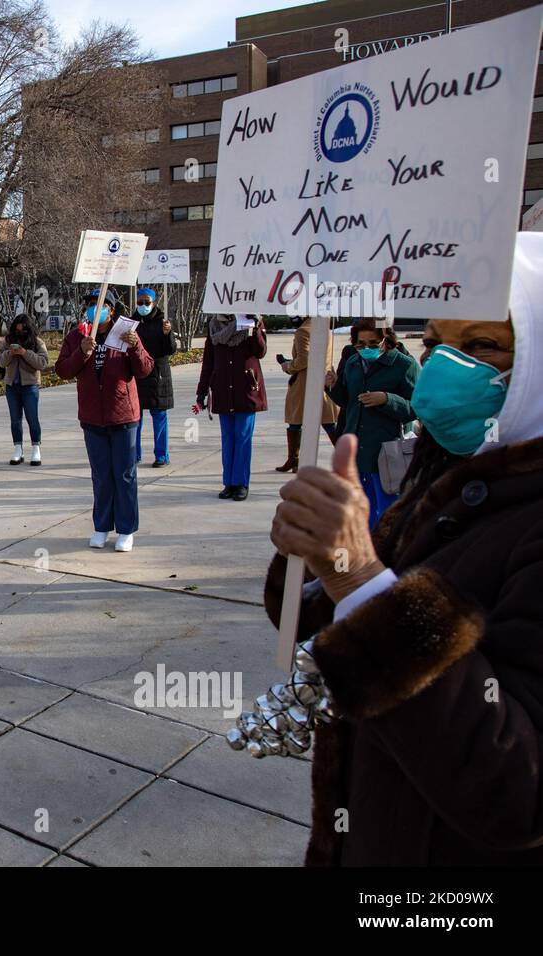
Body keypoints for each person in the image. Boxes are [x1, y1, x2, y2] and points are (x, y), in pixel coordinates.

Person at [263, 232, 543, 866]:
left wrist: (360, 577)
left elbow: (516, 788)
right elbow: (335, 617)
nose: (448, 367)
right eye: (439, 344)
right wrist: (318, 557)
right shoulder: (453, 469)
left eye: (481, 346)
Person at [55, 297, 154, 551]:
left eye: (101, 305)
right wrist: (82, 352)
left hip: (123, 415)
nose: (95, 309)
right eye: (90, 305)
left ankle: (126, 529)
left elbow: (144, 369)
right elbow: (63, 369)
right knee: (101, 476)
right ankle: (101, 527)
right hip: (92, 417)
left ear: (111, 310)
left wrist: (134, 348)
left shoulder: (126, 332)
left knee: (124, 474)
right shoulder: (78, 335)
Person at [323, 316, 418, 528]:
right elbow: (347, 401)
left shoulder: (404, 365)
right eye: (360, 344)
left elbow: (417, 408)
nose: (366, 348)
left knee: (387, 514)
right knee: (359, 512)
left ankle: (384, 555)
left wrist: (387, 399)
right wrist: (332, 386)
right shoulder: (353, 363)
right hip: (357, 451)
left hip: (387, 453)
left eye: (373, 344)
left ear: (386, 340)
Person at [194, 313, 267, 501]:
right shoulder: (214, 327)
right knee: (228, 438)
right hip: (223, 390)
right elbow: (208, 362)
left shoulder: (250, 323)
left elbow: (260, 352)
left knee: (242, 437)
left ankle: (241, 483)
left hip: (246, 390)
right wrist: (201, 392)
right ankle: (229, 482)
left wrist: (255, 328)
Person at [276, 315, 338, 472]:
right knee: (329, 423)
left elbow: (304, 359)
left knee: (296, 422)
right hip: (323, 381)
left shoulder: (303, 331)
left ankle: (294, 459)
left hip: (305, 383)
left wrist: (288, 365)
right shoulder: (324, 328)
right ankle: (347, 458)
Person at [0, 312, 48, 465]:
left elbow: (43, 363)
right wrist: (10, 353)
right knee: (15, 420)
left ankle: (36, 448)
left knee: (32, 418)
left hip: (30, 386)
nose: (20, 333)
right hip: (12, 385)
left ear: (29, 329)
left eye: (23, 330)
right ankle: (18, 448)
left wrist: (25, 353)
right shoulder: (8, 341)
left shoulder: (37, 342)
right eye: (17, 330)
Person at [132, 289, 176, 467]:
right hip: (137, 374)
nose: (143, 306)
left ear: (154, 303)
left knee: (159, 416)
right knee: (135, 418)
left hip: (158, 375)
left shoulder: (162, 322)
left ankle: (161, 455)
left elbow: (170, 349)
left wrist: (168, 334)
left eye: (146, 302)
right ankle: (133, 454)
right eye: (140, 302)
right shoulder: (132, 322)